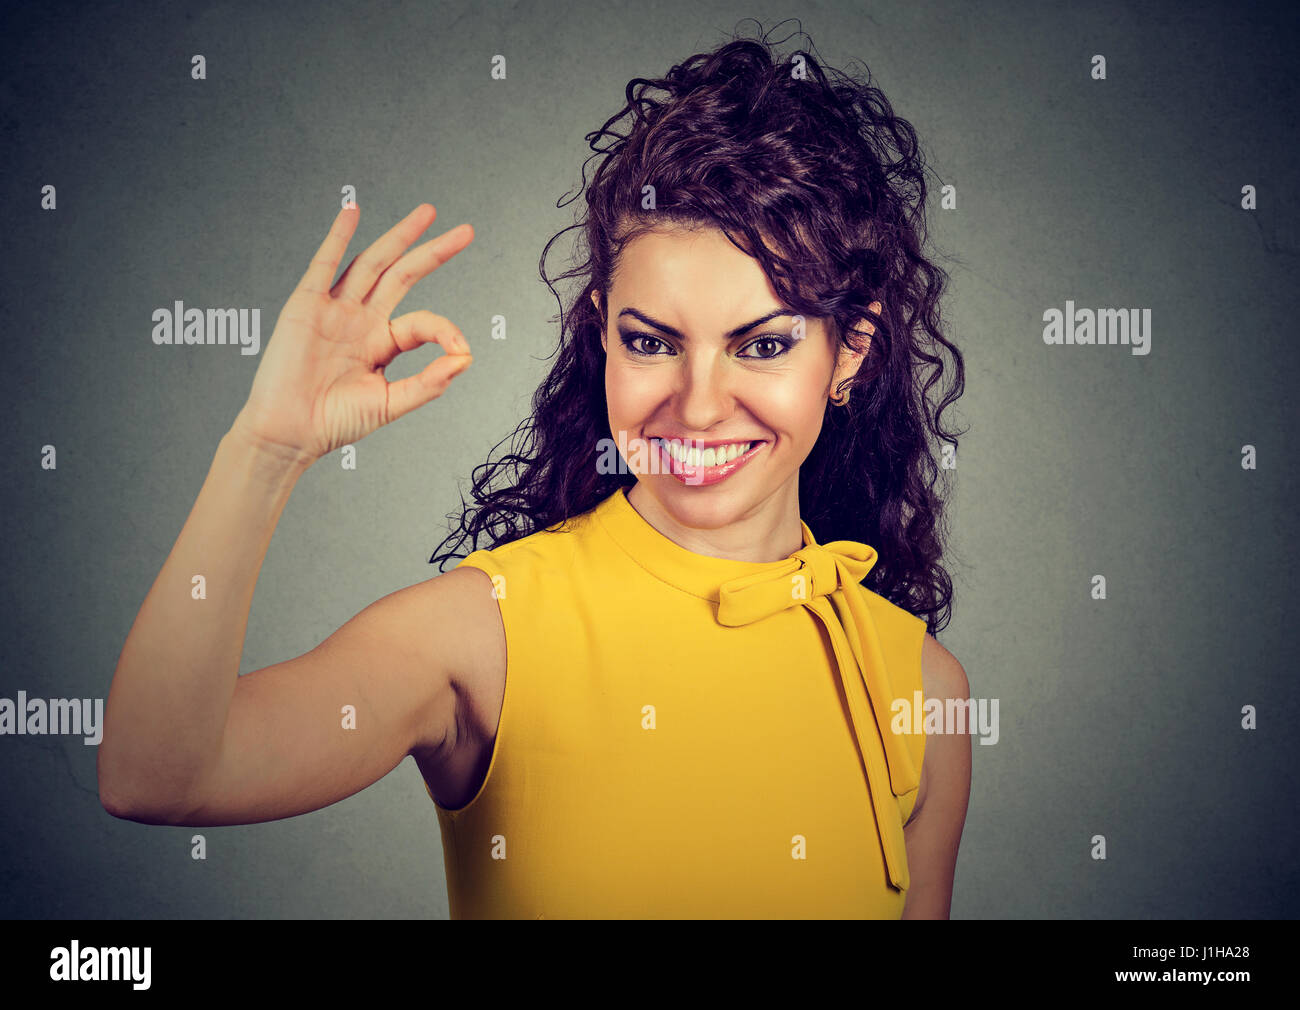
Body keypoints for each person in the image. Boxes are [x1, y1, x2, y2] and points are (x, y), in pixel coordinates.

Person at [99, 24, 971, 919]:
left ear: (852, 350)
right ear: (602, 330)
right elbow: (156, 775)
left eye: (763, 344)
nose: (700, 404)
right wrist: (264, 450)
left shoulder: (922, 688)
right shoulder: (484, 636)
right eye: (651, 342)